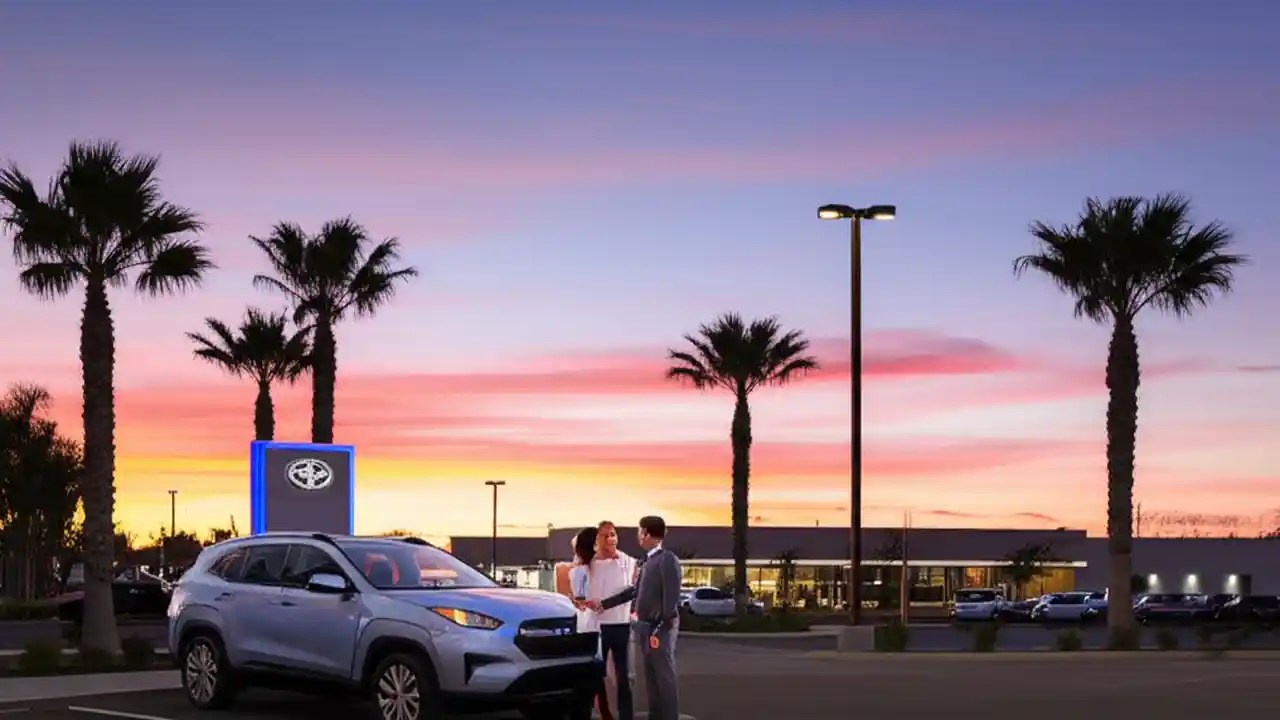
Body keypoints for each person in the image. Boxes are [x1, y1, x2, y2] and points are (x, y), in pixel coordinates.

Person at [588, 516, 681, 720]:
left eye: (640, 532)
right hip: (645, 627)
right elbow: (633, 592)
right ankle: (656, 716)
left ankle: (669, 716)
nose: (638, 536)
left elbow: (671, 598)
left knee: (664, 675)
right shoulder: (648, 560)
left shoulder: (667, 559)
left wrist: (660, 623)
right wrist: (605, 604)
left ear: (647, 533)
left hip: (659, 628)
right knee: (651, 676)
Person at [590, 521, 638, 720]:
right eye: (605, 535)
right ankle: (603, 712)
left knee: (623, 676)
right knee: (595, 675)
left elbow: (632, 591)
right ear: (597, 540)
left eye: (613, 534)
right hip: (597, 627)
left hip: (621, 626)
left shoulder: (628, 561)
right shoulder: (589, 564)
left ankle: (626, 715)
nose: (610, 539)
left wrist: (605, 604)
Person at [567, 527, 612, 720]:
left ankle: (587, 711)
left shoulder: (577, 572)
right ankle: (604, 712)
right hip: (604, 623)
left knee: (587, 673)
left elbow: (578, 599)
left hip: (585, 624)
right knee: (599, 672)